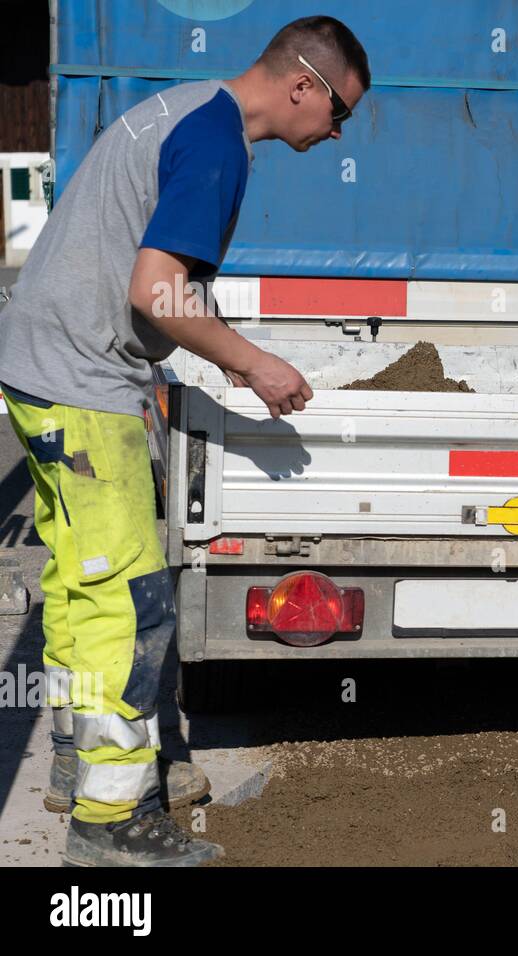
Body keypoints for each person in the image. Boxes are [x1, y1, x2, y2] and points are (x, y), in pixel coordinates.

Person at [0, 15, 370, 867]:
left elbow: (137, 280)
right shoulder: (218, 144)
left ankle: (75, 761)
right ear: (303, 86)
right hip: (78, 383)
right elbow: (156, 291)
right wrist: (255, 366)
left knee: (82, 581)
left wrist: (162, 371)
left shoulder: (187, 109)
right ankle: (111, 823)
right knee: (130, 602)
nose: (338, 132)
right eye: (340, 114)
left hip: (49, 369)